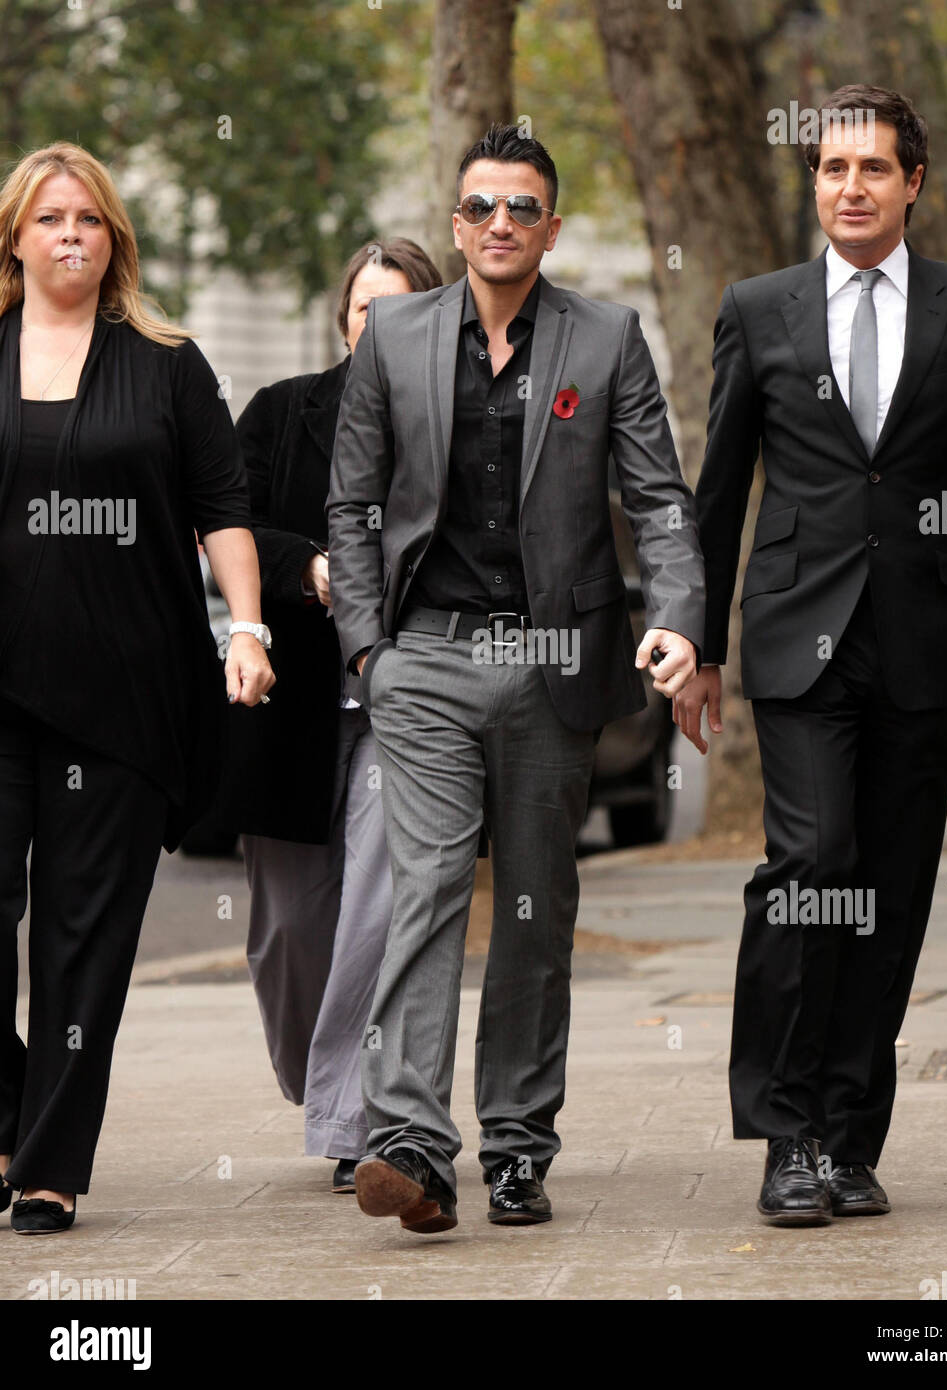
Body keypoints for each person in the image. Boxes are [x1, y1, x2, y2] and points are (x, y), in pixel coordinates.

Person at [327, 122, 706, 1234]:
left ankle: (516, 1145)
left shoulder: (607, 338)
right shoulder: (395, 337)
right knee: (428, 885)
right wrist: (369, 650)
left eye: (522, 207)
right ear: (457, 226)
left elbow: (659, 502)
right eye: (481, 206)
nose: (501, 222)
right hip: (427, 658)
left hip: (553, 662)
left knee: (537, 910)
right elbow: (352, 503)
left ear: (551, 226)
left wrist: (679, 620)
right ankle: (409, 1141)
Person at [678, 86, 947, 1225]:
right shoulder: (758, 308)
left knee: (885, 890)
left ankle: (848, 1136)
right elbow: (718, 488)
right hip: (799, 635)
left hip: (925, 640)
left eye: (873, 169)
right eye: (832, 169)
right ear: (814, 182)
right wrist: (698, 641)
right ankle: (785, 1133)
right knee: (811, 866)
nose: (850, 188)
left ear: (911, 183)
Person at [0, 142, 274, 1234]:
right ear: (15, 239)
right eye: (49, 218)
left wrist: (246, 626)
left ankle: (49, 1165)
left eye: (89, 219)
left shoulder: (168, 365)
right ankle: (12, 1112)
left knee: (83, 938)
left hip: (119, 698)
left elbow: (223, 508)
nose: (70, 234)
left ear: (113, 239)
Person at [215, 239, 441, 1193]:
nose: (378, 327)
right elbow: (225, 523)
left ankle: (357, 1115)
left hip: (406, 702)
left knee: (377, 913)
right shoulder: (280, 411)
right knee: (289, 931)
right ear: (342, 322)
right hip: (293, 704)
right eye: (364, 310)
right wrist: (308, 565)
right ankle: (322, 1077)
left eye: (400, 311)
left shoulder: (453, 418)